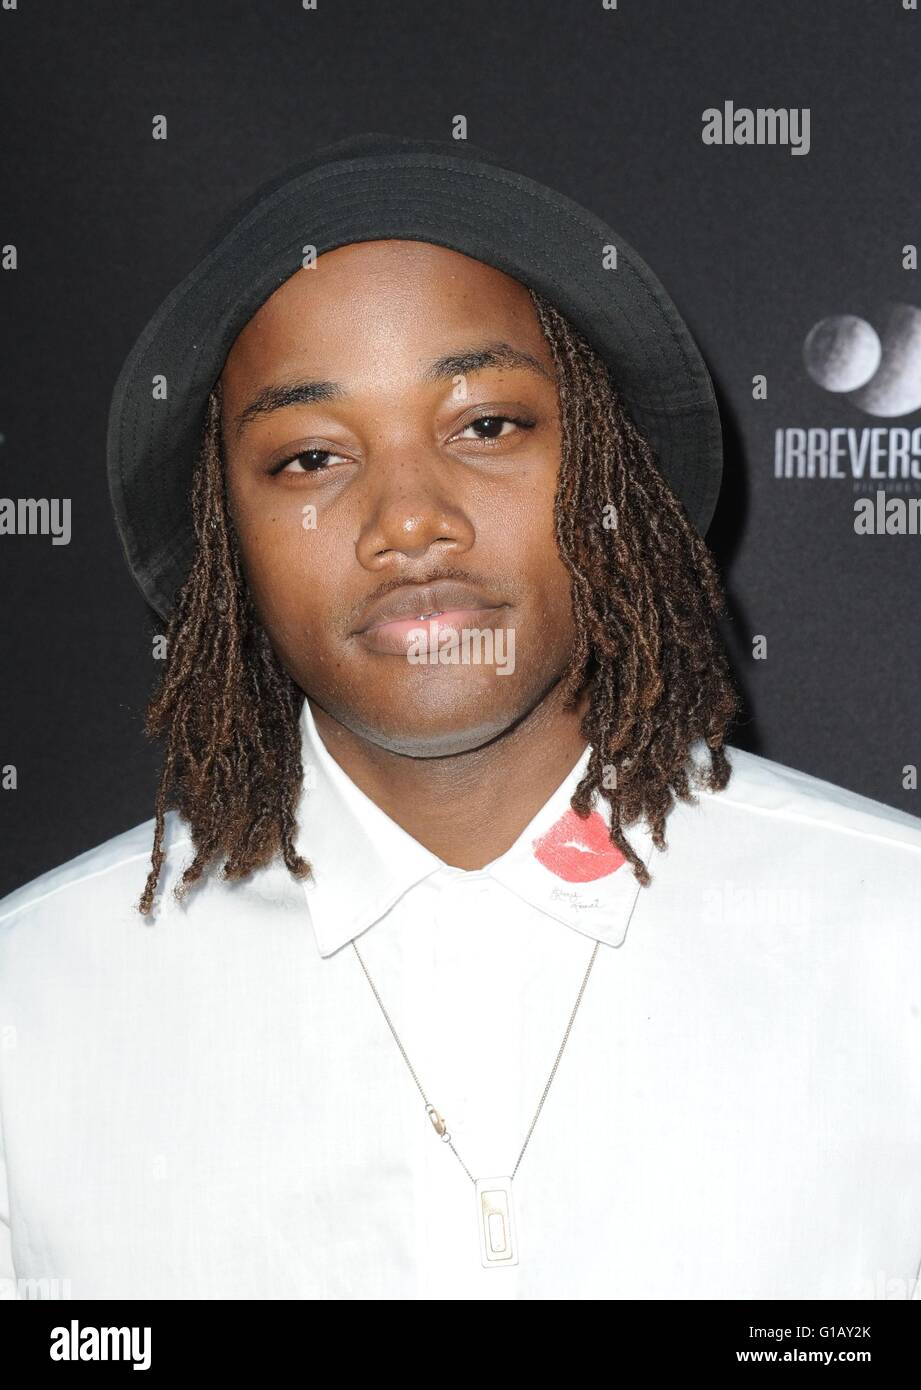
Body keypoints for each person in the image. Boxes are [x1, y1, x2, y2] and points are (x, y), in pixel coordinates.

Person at [1, 133, 919, 1302]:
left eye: (486, 424)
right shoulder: (33, 1005)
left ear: (612, 473)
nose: (409, 520)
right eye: (311, 456)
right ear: (226, 541)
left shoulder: (896, 947)